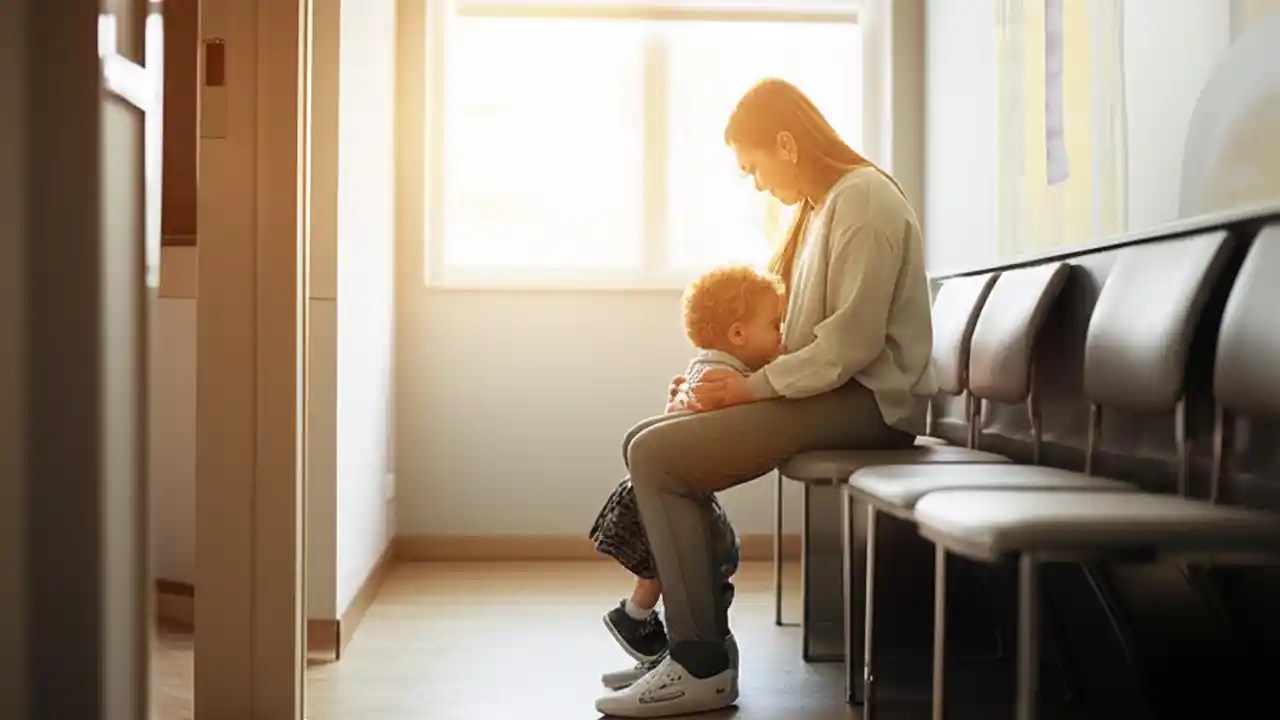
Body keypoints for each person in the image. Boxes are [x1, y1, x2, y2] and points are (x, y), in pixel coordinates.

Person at [594, 77, 937, 718]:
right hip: (834, 396)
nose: (756, 182)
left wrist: (747, 390)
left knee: (661, 459)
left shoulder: (863, 200)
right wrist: (716, 380)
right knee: (649, 442)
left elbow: (851, 346)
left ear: (786, 142)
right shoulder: (823, 208)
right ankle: (698, 648)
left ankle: (700, 663)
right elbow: (792, 344)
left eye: (754, 165)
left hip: (869, 408)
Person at [589, 266, 784, 688]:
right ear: (738, 335)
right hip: (668, 491)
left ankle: (651, 631)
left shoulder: (708, 366)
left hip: (660, 488)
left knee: (673, 568)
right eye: (774, 325)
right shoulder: (725, 378)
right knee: (703, 563)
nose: (781, 335)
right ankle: (651, 630)